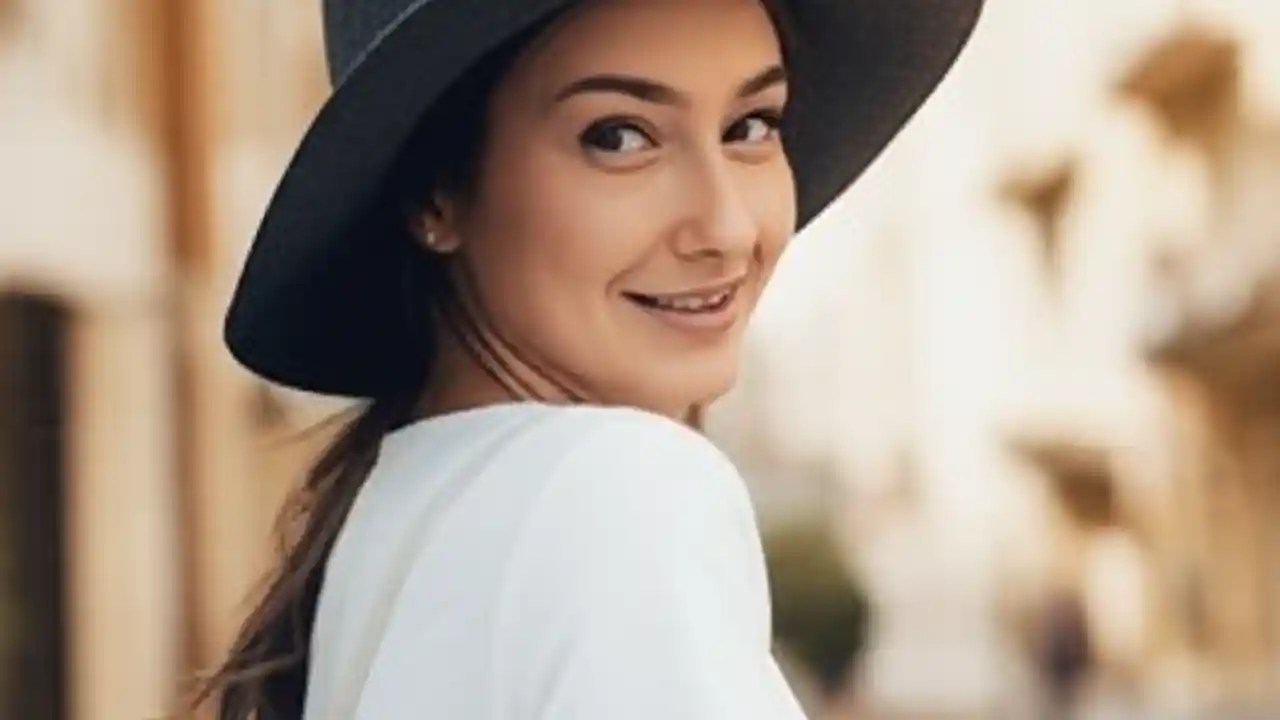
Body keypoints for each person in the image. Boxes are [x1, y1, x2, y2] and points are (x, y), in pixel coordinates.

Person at [199, 0, 982, 717]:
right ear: (434, 190)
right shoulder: (619, 489)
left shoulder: (392, 523)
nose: (727, 228)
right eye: (619, 137)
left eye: (751, 126)